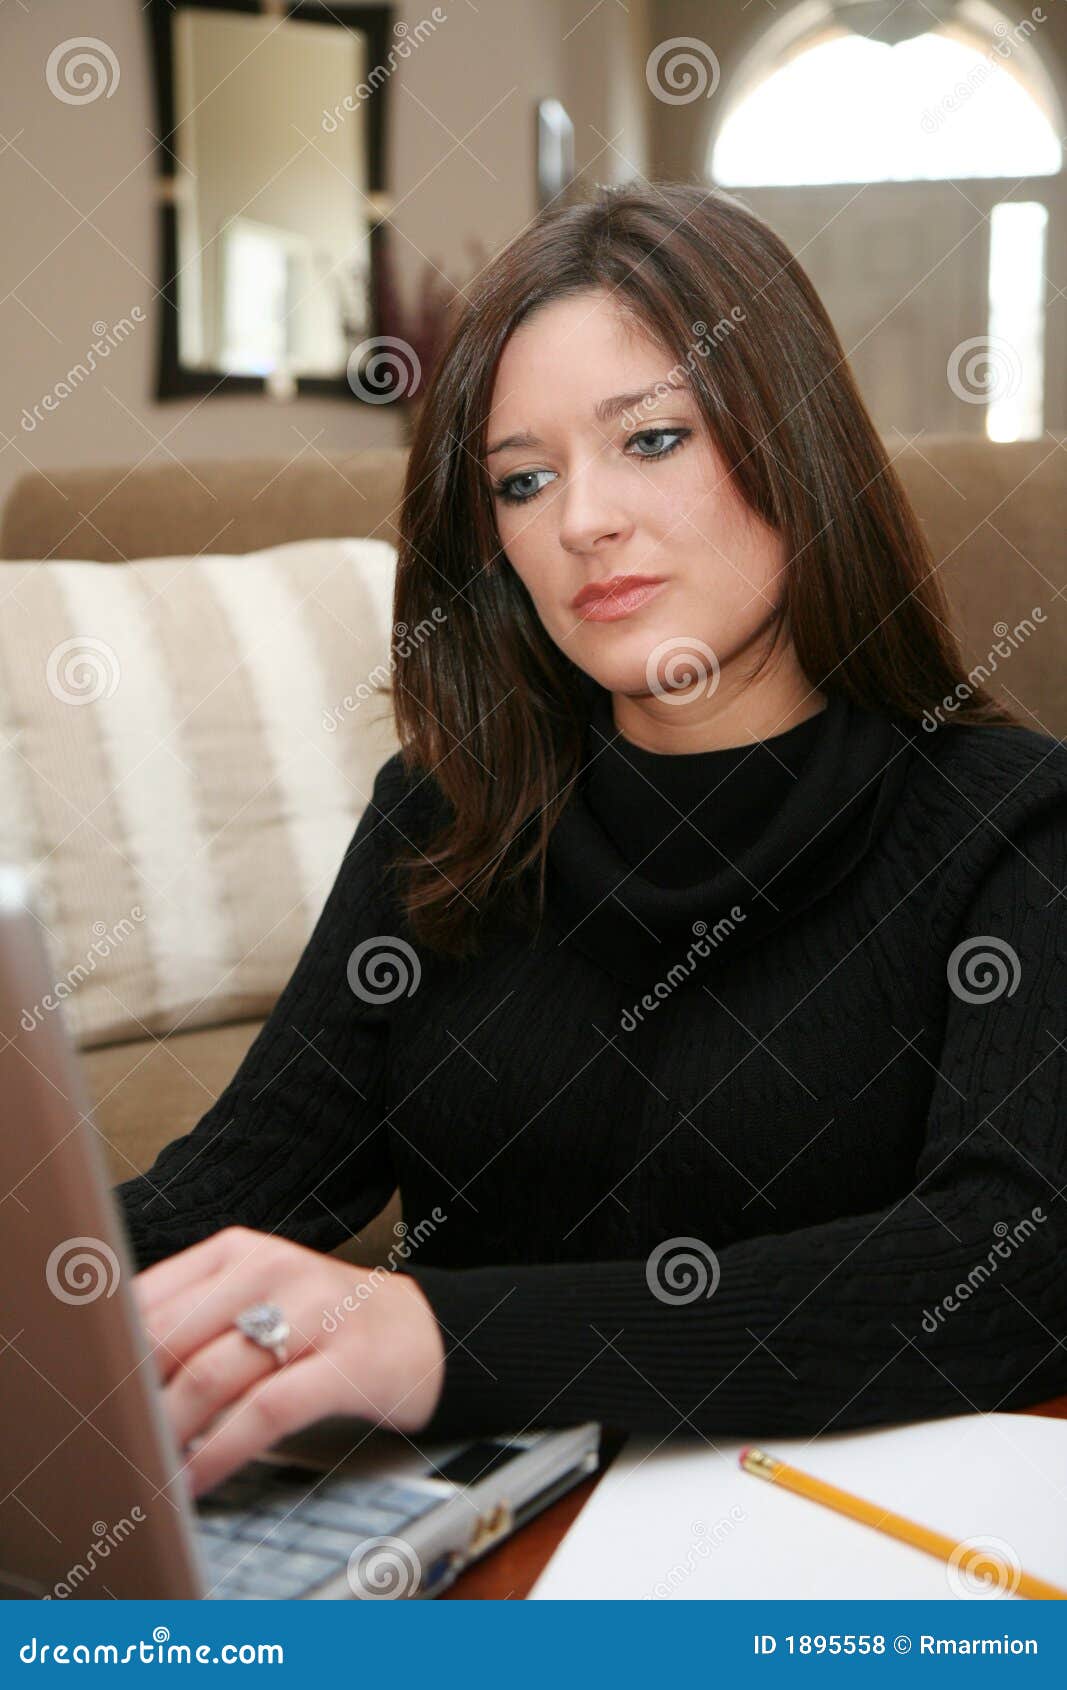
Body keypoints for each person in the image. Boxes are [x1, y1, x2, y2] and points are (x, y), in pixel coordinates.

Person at [114, 182, 1067, 1501]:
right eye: (523, 478)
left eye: (654, 438)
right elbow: (220, 1198)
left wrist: (436, 1337)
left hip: (827, 1550)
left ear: (795, 438)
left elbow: (1005, 1267)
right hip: (476, 1547)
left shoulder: (1011, 824)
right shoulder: (444, 816)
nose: (582, 522)